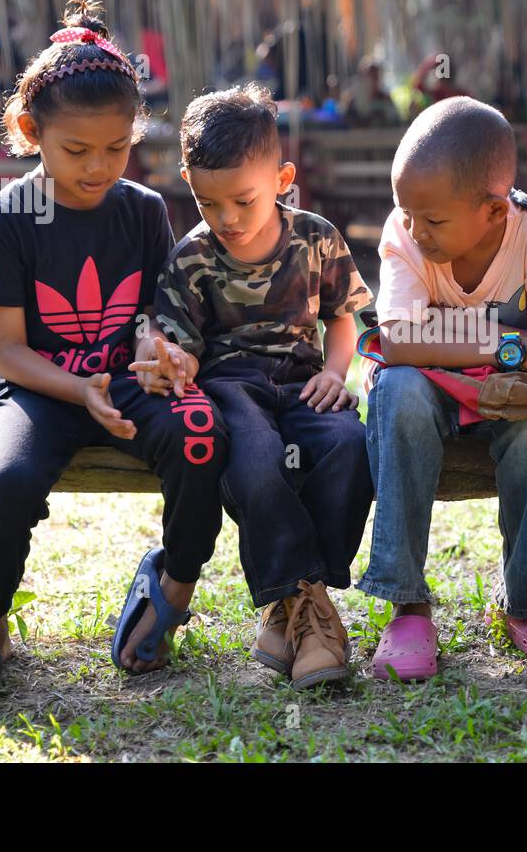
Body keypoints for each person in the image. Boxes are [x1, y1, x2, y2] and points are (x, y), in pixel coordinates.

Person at [0, 0, 230, 723]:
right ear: (29, 131)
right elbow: (9, 353)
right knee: (5, 482)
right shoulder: (5, 220)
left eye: (116, 148)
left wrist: (154, 350)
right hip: (40, 390)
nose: (99, 167)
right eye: (77, 151)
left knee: (203, 436)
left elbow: (154, 313)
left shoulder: (140, 209)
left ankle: (171, 590)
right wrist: (81, 390)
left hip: (126, 386)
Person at [359, 96, 527, 681]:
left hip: (514, 399)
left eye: (432, 220)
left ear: (493, 211)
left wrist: (451, 337)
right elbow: (400, 344)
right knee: (401, 391)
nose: (415, 230)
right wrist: (514, 344)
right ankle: (407, 606)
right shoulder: (405, 231)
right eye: (405, 212)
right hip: (424, 395)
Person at [152, 83, 374, 690]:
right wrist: (171, 360)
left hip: (305, 383)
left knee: (349, 446)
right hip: (232, 390)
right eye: (207, 202)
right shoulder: (192, 259)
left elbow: (343, 315)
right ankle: (313, 615)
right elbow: (178, 344)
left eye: (243, 202)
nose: (225, 219)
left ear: (282, 179)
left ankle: (294, 602)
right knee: (254, 463)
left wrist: (335, 372)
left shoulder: (316, 237)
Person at [339, 58, 399, 127]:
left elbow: (395, 120)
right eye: (370, 76)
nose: (373, 80)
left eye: (376, 76)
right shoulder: (352, 102)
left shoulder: (385, 99)